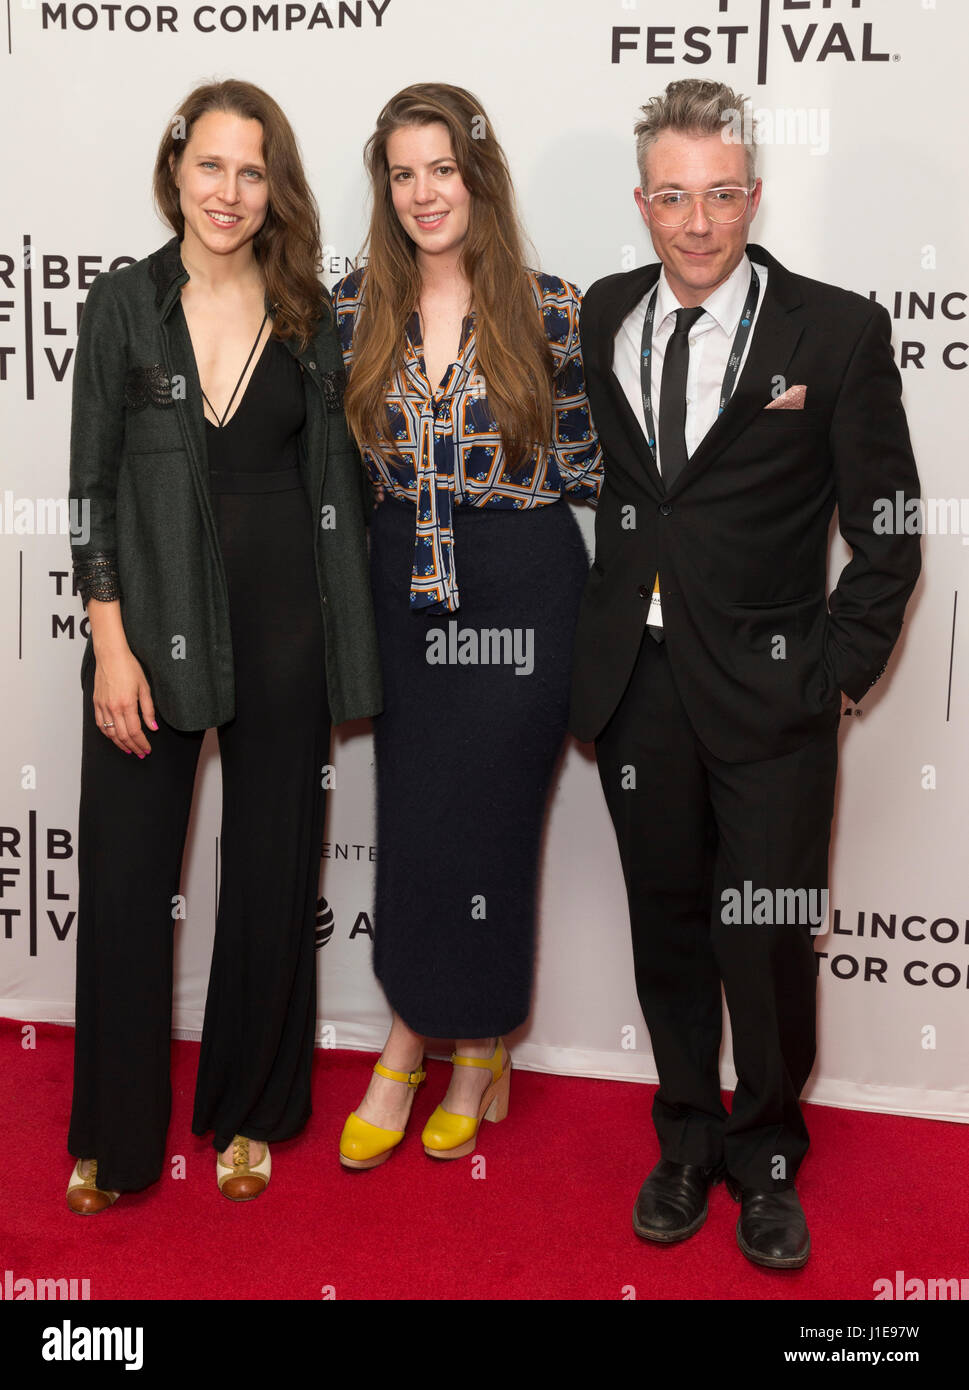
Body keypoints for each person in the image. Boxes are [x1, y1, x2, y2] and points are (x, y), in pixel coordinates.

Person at [569, 79, 920, 1267]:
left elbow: (887, 528)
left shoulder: (834, 332)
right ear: (642, 202)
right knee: (666, 924)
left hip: (771, 694)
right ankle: (684, 1137)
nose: (698, 222)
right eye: (673, 196)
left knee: (763, 938)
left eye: (720, 194)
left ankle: (766, 1157)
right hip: (637, 687)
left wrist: (829, 673)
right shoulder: (605, 314)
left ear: (753, 195)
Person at [65, 79, 381, 1211]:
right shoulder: (123, 305)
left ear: (274, 185)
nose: (229, 191)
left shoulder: (310, 317)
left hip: (287, 628)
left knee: (268, 873)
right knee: (124, 878)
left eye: (252, 171)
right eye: (211, 165)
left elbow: (335, 486)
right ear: (176, 168)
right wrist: (109, 641)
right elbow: (91, 488)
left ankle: (252, 1108)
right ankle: (113, 1130)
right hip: (146, 635)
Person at [332, 83, 602, 1168]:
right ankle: (427, 1030)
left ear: (477, 174)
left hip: (525, 586)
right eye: (402, 173)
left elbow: (597, 467)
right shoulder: (349, 309)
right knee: (414, 819)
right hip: (404, 586)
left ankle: (454, 1043)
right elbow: (337, 477)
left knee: (490, 822)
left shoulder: (554, 308)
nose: (422, 192)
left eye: (441, 167)